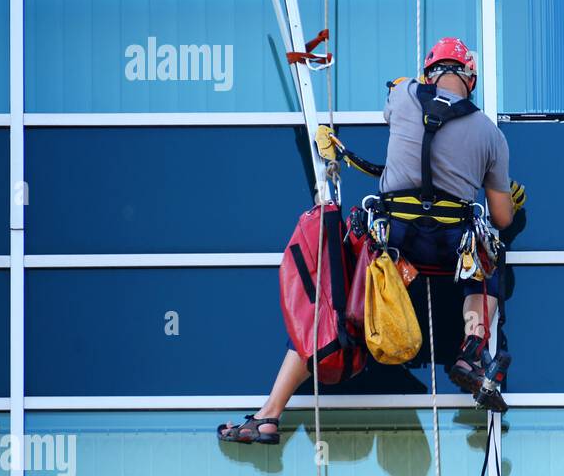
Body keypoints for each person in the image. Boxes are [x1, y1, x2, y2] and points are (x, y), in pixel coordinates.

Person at [218, 37, 523, 443]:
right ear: (472, 79)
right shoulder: (490, 133)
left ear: (428, 73)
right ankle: (472, 349)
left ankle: (269, 415)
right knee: (485, 264)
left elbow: (403, 131)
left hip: (393, 242)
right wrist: (511, 203)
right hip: (452, 246)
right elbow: (501, 217)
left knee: (331, 305)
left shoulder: (403, 94)